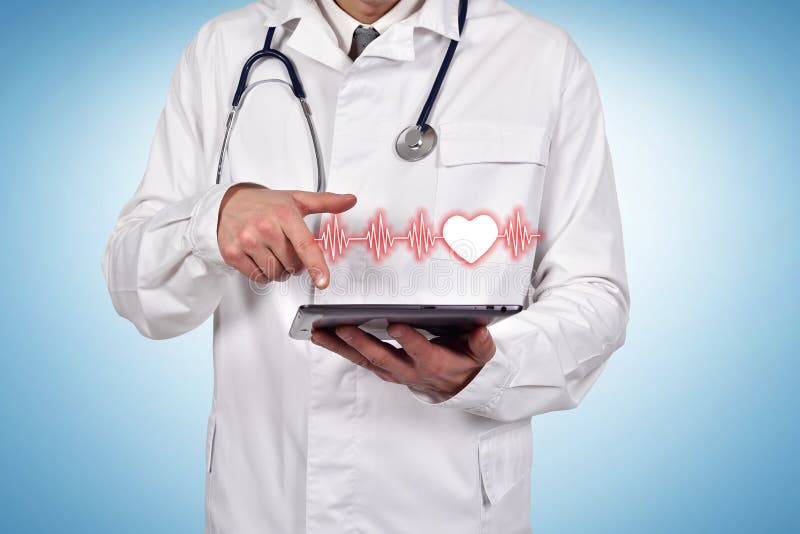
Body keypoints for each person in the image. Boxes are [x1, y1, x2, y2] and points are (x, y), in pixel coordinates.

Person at [102, 0, 630, 532]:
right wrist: (211, 221)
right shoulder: (224, 48)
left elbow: (595, 292)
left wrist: (490, 368)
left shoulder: (539, 56)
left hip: (450, 504)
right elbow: (138, 290)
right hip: (264, 500)